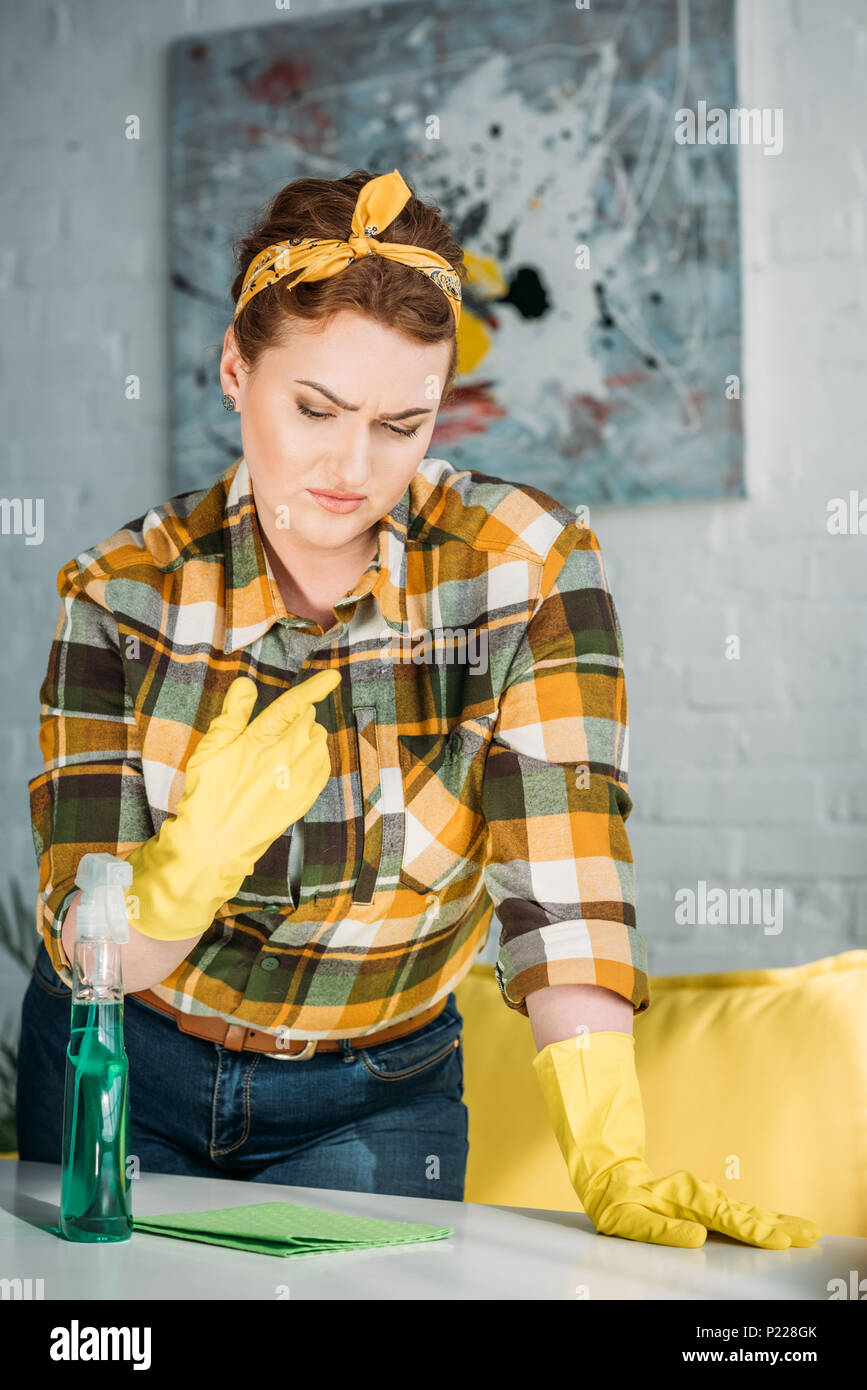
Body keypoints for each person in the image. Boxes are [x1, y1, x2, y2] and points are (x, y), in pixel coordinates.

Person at [18, 168, 820, 1249]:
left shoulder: (522, 569)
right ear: (233, 367)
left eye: (404, 422)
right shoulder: (122, 594)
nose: (353, 466)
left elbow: (562, 877)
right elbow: (83, 950)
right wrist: (184, 869)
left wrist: (613, 1155)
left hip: (376, 1092)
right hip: (123, 1061)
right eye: (315, 409)